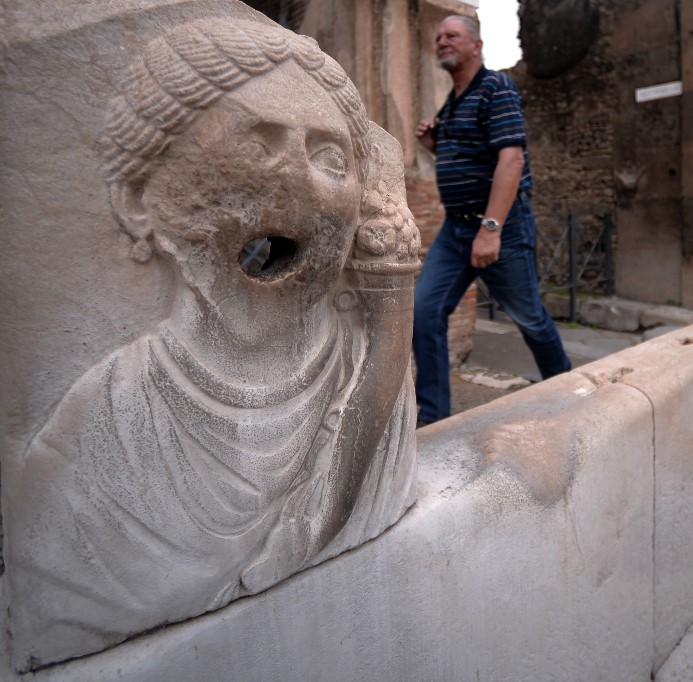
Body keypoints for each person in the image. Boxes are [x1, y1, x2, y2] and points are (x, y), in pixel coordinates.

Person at [6, 19, 420, 668]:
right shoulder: (102, 433)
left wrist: (393, 304)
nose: (302, 186)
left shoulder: (369, 362)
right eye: (256, 145)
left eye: (330, 158)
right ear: (140, 200)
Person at [413, 15, 570, 426]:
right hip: (455, 229)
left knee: (529, 318)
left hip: (501, 226)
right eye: (439, 36)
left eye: (453, 36)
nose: (442, 41)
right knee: (424, 312)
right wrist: (433, 141)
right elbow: (464, 158)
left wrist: (491, 228)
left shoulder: (494, 88)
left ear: (477, 46)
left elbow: (511, 158)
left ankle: (568, 395)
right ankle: (433, 417)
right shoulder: (454, 100)